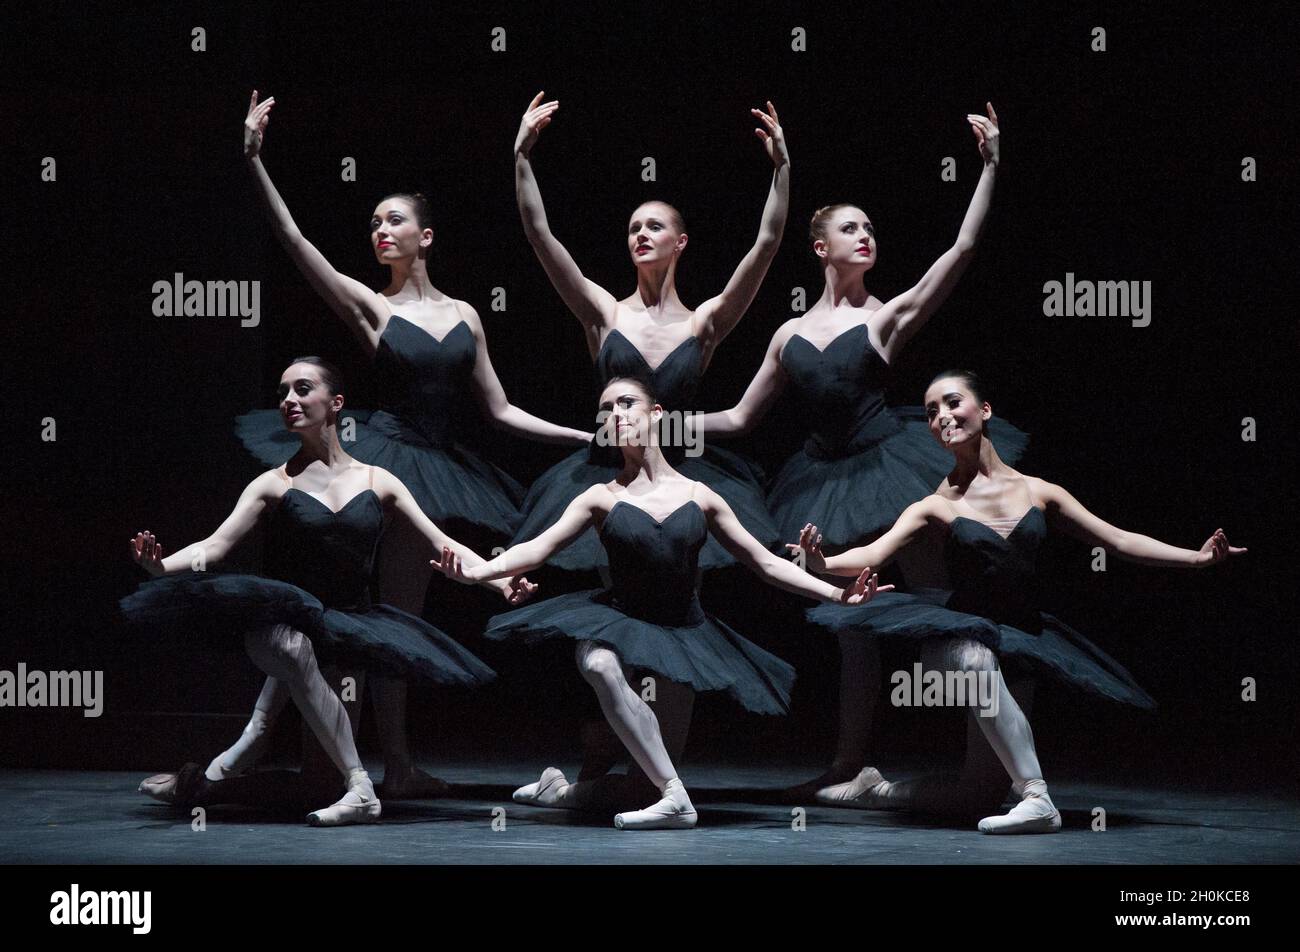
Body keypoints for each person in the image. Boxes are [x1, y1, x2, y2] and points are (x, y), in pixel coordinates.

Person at [235, 92, 584, 796]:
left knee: (403, 614)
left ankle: (393, 760)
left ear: (427, 236)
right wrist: (254, 161)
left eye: (394, 219)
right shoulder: (373, 306)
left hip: (440, 465)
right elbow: (299, 247)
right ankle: (322, 758)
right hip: (381, 460)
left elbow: (502, 410)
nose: (380, 230)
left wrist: (578, 433)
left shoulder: (464, 314)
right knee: (344, 607)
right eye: (373, 223)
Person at [696, 103, 1029, 791]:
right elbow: (738, 417)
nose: (866, 236)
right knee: (851, 628)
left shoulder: (884, 319)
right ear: (821, 248)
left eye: (871, 228)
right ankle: (851, 764)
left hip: (897, 469)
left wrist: (991, 166)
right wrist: (671, 425)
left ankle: (984, 763)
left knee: (945, 607)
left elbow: (959, 253)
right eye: (852, 228)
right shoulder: (788, 336)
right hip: (822, 482)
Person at [790, 370, 1245, 833]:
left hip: (1022, 638)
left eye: (951, 403)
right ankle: (1037, 797)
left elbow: (1119, 539)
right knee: (972, 659)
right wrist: (821, 561)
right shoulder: (934, 504)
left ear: (984, 411)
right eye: (931, 412)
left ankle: (873, 790)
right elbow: (872, 554)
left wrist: (1195, 558)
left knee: (979, 793)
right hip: (959, 630)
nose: (941, 417)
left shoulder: (1039, 491)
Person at [438, 374, 884, 829]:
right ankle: (677, 799)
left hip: (682, 636)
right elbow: (536, 548)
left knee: (640, 787)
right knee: (598, 666)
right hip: (618, 618)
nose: (616, 415)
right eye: (607, 409)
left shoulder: (700, 496)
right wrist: (478, 572)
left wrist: (835, 592)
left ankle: (563, 792)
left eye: (627, 403)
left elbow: (765, 564)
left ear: (657, 415)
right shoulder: (600, 497)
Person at [123, 358, 534, 825]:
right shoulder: (272, 484)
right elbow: (214, 546)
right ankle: (362, 787)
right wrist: (161, 566)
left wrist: (499, 580)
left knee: (308, 773)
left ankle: (201, 784)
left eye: (302, 389)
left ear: (336, 404)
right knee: (291, 648)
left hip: (346, 633)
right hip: (282, 619)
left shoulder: (380, 481)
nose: (289, 401)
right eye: (283, 393)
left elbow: (445, 546)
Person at [508, 91, 790, 570]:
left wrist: (783, 170)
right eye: (634, 227)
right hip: (604, 472)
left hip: (682, 470)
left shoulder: (704, 322)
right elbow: (540, 234)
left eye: (654, 227)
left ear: (679, 242)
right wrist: (521, 157)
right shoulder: (604, 313)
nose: (640, 234)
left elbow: (765, 245)